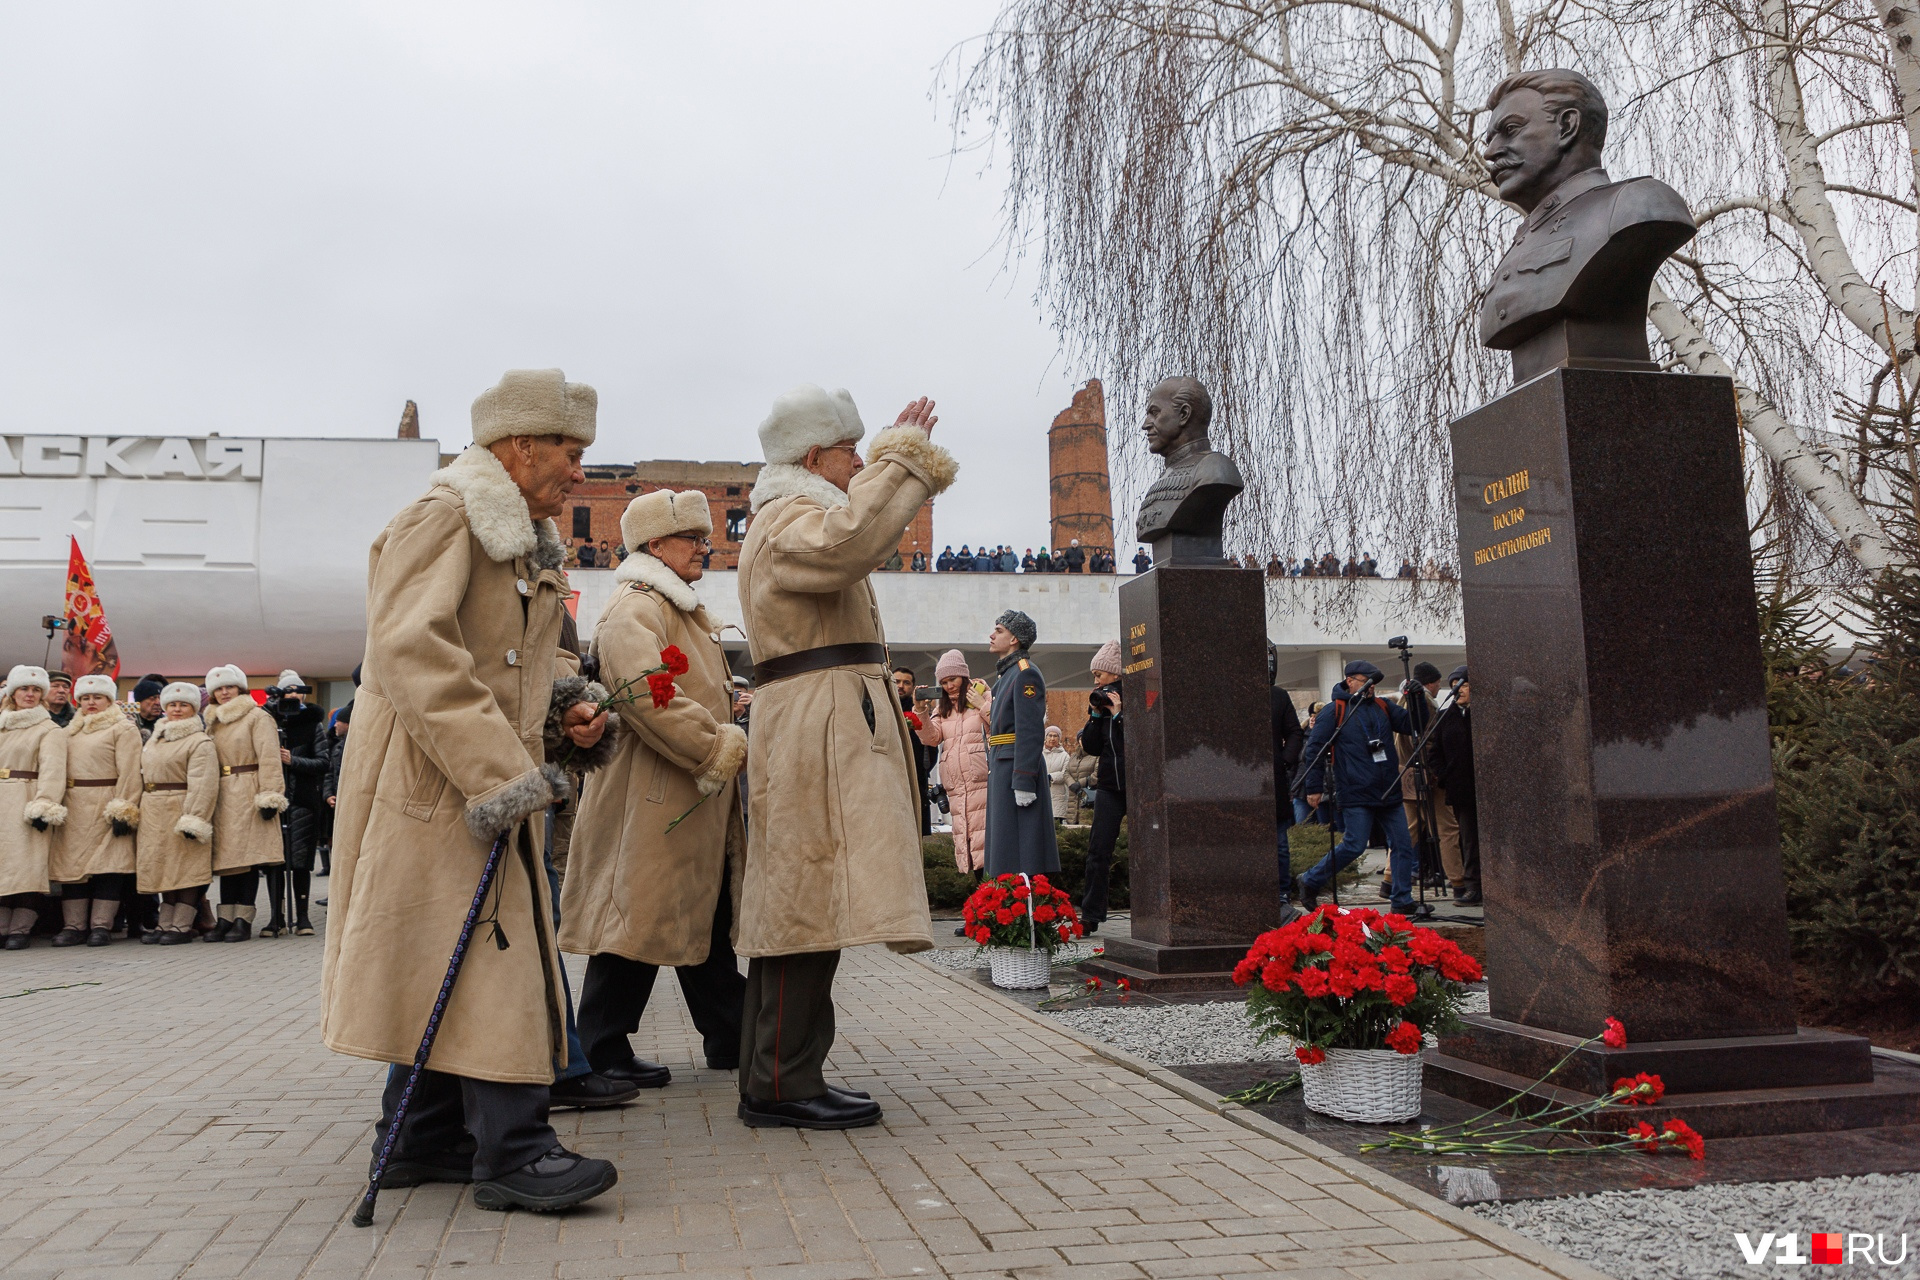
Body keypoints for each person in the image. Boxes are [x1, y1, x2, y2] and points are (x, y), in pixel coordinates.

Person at [322, 368, 618, 1212]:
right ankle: (515, 1152)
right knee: (499, 956)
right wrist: (506, 774)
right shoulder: (446, 516)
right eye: (570, 451)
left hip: (476, 775)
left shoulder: (517, 534)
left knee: (446, 954)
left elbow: (516, 667)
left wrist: (573, 713)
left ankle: (420, 1136)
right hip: (439, 781)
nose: (579, 472)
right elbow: (412, 651)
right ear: (519, 446)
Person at [735, 383, 955, 1130]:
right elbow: (849, 541)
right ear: (811, 457)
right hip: (813, 726)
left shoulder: (788, 513)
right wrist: (903, 459)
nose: (859, 462)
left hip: (816, 721)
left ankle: (781, 1074)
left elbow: (851, 533)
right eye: (849, 452)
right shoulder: (788, 519)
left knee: (804, 903)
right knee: (804, 903)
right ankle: (780, 1082)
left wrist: (888, 461)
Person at [565, 488, 751, 1096]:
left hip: (680, 795)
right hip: (652, 797)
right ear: (653, 546)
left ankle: (731, 1033)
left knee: (700, 915)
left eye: (704, 536)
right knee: (635, 922)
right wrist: (714, 747)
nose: (705, 546)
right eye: (691, 538)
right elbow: (649, 696)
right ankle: (599, 1047)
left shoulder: (671, 605)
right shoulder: (635, 609)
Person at [1295, 660, 1430, 919]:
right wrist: (1313, 787)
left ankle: (1401, 899)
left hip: (1388, 791)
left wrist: (1416, 699)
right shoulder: (1335, 711)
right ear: (1350, 681)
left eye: (1373, 683)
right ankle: (1310, 879)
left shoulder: (1383, 707)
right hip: (1356, 791)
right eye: (1365, 681)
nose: (1371, 687)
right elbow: (1314, 750)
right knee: (1355, 845)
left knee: (1403, 844)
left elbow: (1413, 725)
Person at [49, 674, 141, 946]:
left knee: (108, 867)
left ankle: (101, 926)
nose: (91, 703)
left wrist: (124, 807)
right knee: (72, 867)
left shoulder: (122, 729)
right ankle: (73, 926)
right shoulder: (69, 731)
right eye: (86, 698)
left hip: (106, 800)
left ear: (109, 699)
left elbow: (130, 771)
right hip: (75, 804)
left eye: (97, 697)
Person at [202, 665, 287, 944]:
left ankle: (243, 919)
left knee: (247, 857)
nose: (224, 692)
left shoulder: (256, 717)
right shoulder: (212, 721)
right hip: (222, 792)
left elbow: (269, 757)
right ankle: (225, 917)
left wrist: (270, 794)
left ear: (241, 688)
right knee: (227, 859)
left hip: (249, 788)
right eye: (218, 688)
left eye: (229, 686)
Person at [135, 682, 217, 945]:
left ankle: (181, 925)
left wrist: (194, 816)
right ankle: (164, 923)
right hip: (153, 810)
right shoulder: (156, 738)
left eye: (183, 705)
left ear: (193, 708)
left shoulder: (199, 741)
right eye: (172, 705)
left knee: (186, 868)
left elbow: (203, 783)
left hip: (181, 807)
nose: (177, 710)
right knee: (163, 868)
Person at [982, 611, 1057, 877]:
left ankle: (1022, 909)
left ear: (1014, 638)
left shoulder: (1025, 674)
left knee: (1020, 851)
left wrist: (1024, 780)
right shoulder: (1007, 676)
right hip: (1003, 764)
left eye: (999, 630)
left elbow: (1030, 730)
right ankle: (1003, 907)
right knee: (1003, 848)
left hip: (1016, 768)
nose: (992, 635)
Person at [0, 666, 68, 948]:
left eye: (35, 690)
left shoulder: (48, 728)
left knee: (27, 865)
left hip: (25, 798)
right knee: (2, 865)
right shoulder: (1, 723)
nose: (29, 694)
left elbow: (53, 770)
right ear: (12, 693)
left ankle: (21, 928)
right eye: (24, 689)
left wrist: (44, 804)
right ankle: (2, 927)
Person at [264, 671, 328, 937]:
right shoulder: (266, 721)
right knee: (274, 861)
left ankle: (302, 917)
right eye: (286, 692)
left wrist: (294, 761)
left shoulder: (314, 723)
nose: (292, 696)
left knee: (301, 860)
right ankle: (275, 918)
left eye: (296, 691)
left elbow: (324, 763)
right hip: (272, 799)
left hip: (302, 799)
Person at [915, 650, 990, 876]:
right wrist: (920, 711)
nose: (949, 686)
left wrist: (980, 703)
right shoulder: (943, 710)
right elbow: (930, 738)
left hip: (984, 785)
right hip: (958, 790)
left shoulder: (983, 696)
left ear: (964, 677)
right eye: (944, 682)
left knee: (986, 846)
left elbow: (1002, 724)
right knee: (969, 845)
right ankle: (983, 903)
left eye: (953, 679)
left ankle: (994, 900)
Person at [1395, 662, 1464, 901]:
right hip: (1424, 773)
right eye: (1437, 682)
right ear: (1430, 683)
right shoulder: (1423, 702)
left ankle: (1389, 878)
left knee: (1410, 829)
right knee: (1447, 828)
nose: (1439, 687)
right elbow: (1426, 739)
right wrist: (1434, 769)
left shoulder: (1404, 701)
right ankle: (1458, 881)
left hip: (1406, 772)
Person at [1078, 641, 1125, 932]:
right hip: (1109, 786)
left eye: (1101, 675)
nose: (1096, 681)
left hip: (1140, 786)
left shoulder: (1137, 699)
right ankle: (1090, 916)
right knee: (1098, 852)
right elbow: (1093, 748)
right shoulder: (1101, 704)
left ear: (1116, 675)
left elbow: (1134, 744)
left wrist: (1119, 715)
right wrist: (1096, 716)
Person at [1429, 667, 1480, 904]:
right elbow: (1434, 752)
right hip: (1461, 790)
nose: (1457, 690)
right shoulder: (1445, 717)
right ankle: (1473, 886)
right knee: (1468, 839)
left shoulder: (1484, 714)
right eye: (1454, 686)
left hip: (1488, 789)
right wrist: (1444, 776)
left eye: (1463, 685)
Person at [1269, 646, 1305, 916]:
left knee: (1280, 841)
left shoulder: (1279, 697)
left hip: (1273, 777)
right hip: (1238, 779)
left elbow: (1294, 732)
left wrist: (1284, 760)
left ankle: (1282, 892)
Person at [894, 665, 937, 836]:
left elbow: (931, 746)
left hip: (916, 776)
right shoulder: (882, 706)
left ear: (912, 687)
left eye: (906, 683)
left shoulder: (919, 710)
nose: (901, 686)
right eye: (896, 681)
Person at [1062, 738, 1097, 826]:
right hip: (1073, 796)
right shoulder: (1074, 756)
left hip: (1089, 797)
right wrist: (1072, 784)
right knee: (1072, 832)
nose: (1083, 741)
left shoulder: (1097, 755)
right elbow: (1066, 772)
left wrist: (1080, 783)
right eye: (1081, 738)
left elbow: (1097, 774)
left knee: (1087, 828)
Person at [1043, 726, 1069, 820]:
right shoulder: (1039, 753)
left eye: (1055, 736)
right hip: (1041, 792)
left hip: (1058, 796)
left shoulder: (1064, 755)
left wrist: (1051, 777)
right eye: (1050, 735)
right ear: (1045, 737)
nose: (1052, 738)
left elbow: (1066, 774)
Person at [131, 674, 166, 741]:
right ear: (139, 702)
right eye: (152, 698)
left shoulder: (166, 724)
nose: (158, 703)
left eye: (160, 698)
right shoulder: (128, 722)